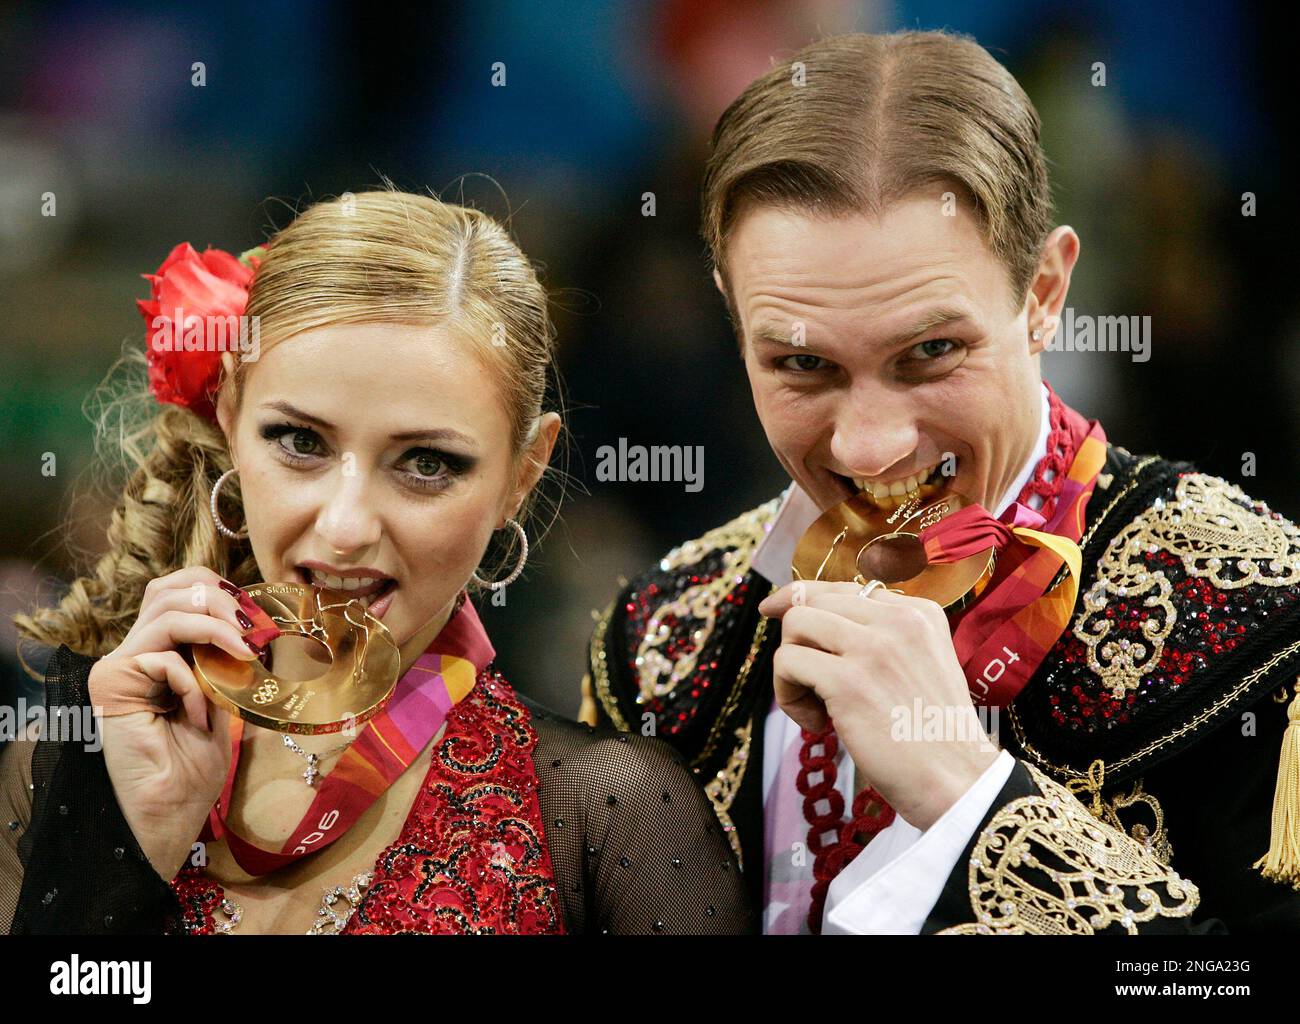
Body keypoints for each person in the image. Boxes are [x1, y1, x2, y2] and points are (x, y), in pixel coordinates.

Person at [579, 30, 1300, 934]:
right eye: (802, 363)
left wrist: (970, 798)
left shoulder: (1261, 616)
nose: (872, 446)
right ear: (733, 310)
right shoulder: (658, 645)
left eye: (930, 353)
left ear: (1044, 292)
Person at [0, 189, 753, 935]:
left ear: (521, 476)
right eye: (299, 442)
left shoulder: (610, 817)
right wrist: (120, 849)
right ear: (230, 420)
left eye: (426, 462)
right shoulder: (67, 763)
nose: (346, 524)